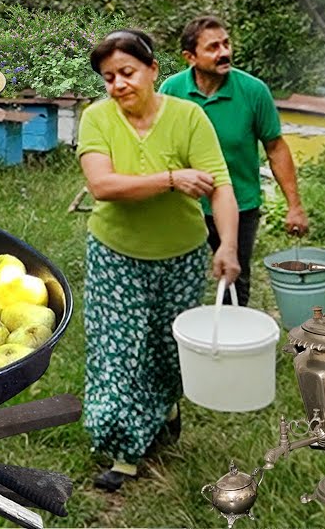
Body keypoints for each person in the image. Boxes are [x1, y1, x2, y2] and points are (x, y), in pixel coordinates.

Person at [76, 29, 241, 492]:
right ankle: (126, 450)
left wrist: (226, 245)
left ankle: (166, 405)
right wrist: (170, 178)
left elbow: (221, 185)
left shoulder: (187, 118)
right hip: (116, 256)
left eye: (126, 72)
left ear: (152, 70)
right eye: (108, 78)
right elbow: (103, 186)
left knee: (169, 351)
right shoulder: (97, 120)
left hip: (181, 256)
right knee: (121, 351)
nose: (118, 85)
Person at [161, 16, 309, 307]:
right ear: (189, 57)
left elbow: (276, 148)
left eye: (226, 43)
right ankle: (183, 340)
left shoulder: (253, 91)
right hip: (184, 205)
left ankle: (234, 342)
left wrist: (294, 205)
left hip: (239, 204)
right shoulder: (171, 91)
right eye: (213, 47)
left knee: (234, 278)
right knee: (176, 277)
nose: (224, 52)